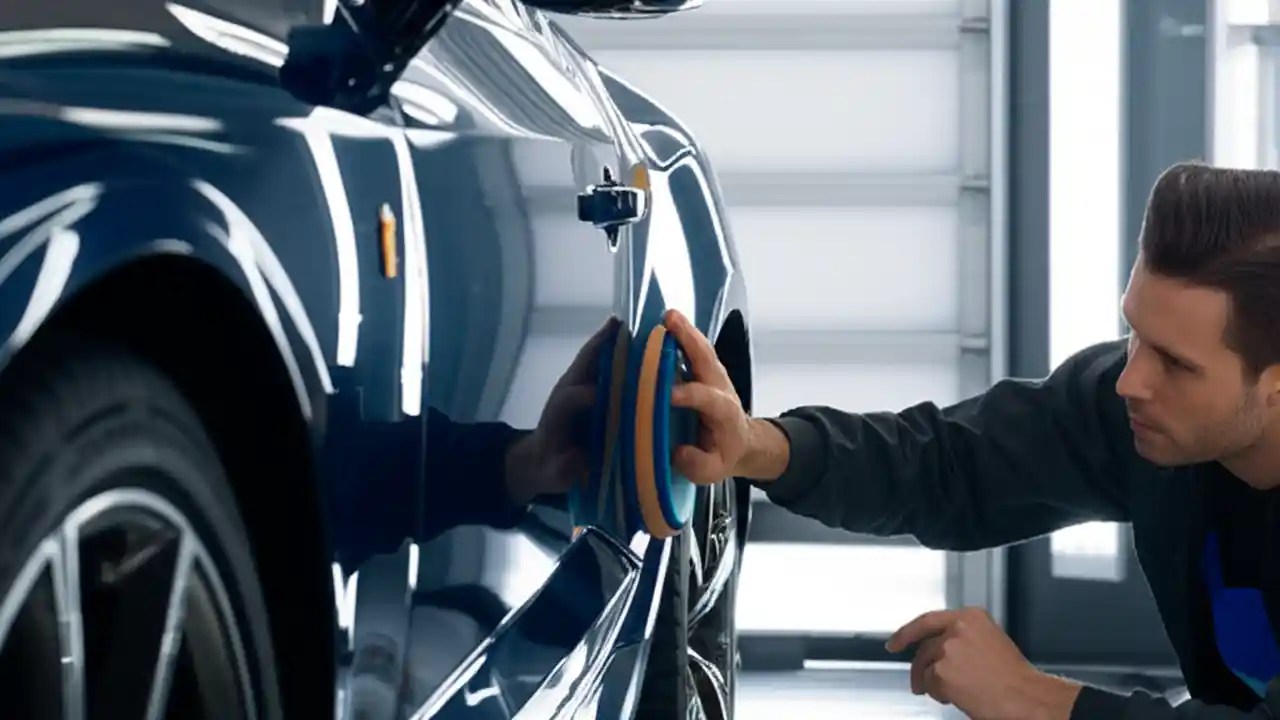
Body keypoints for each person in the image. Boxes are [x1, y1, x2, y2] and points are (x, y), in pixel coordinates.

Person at [662, 161, 1280, 719]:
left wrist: (1029, 697)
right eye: (1133, 334)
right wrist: (754, 445)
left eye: (1175, 363)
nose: (1131, 379)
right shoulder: (1144, 406)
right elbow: (952, 465)